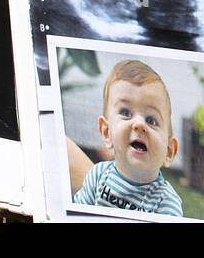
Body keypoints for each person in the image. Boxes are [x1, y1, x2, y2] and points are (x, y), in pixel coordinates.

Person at [71, 59, 184, 217]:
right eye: (126, 113)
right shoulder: (98, 176)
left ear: (169, 151)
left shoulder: (165, 204)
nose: (139, 124)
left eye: (151, 120)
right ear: (107, 132)